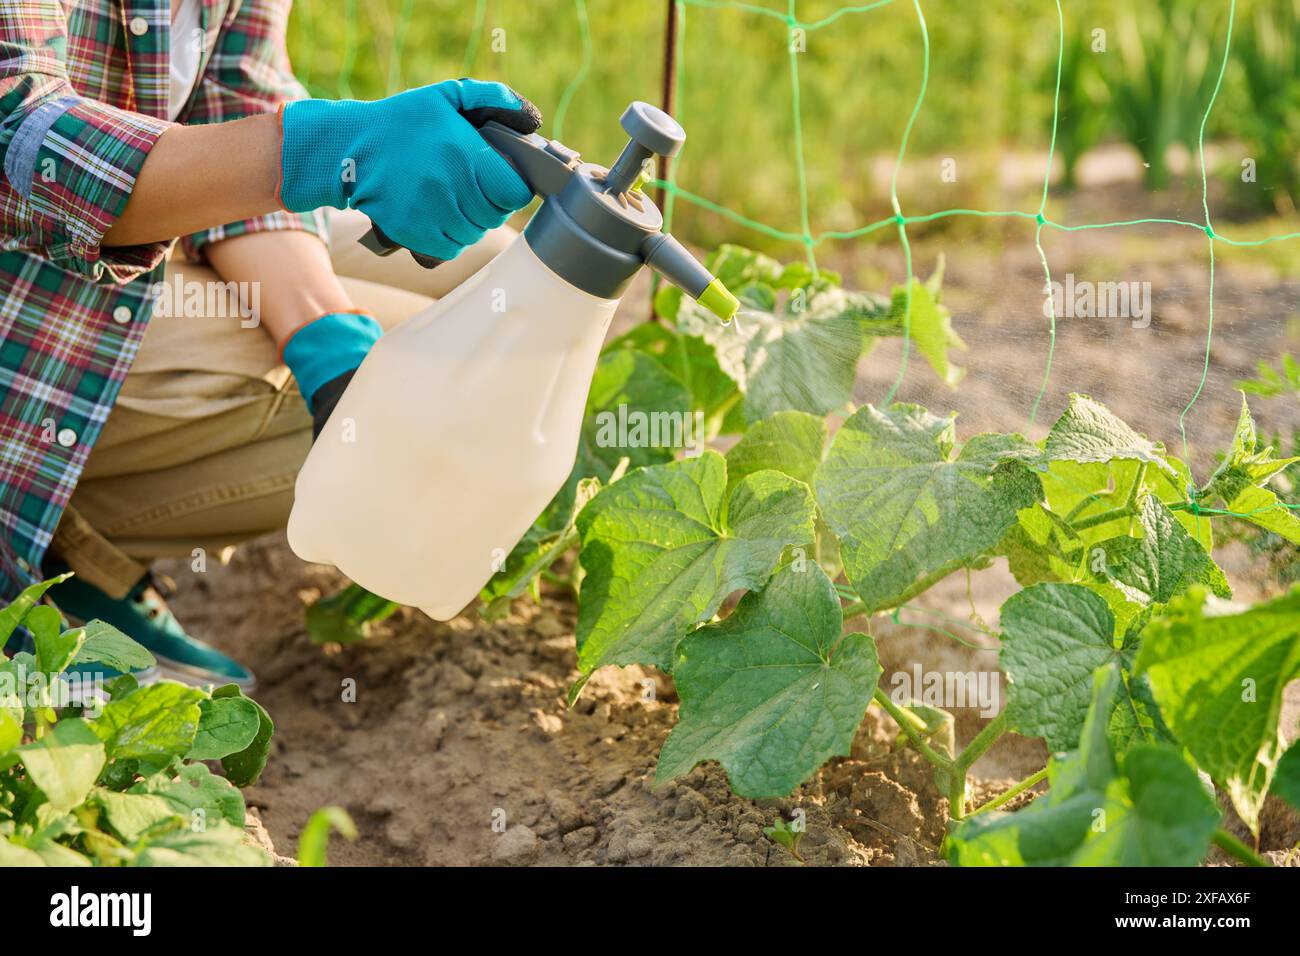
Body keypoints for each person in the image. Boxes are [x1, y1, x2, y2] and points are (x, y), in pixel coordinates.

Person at [0, 0, 540, 687]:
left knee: (502, 286)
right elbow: (21, 140)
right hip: (25, 287)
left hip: (113, 239)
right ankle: (45, 545)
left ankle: (80, 553)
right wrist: (323, 147)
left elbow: (231, 109)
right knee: (439, 363)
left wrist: (328, 339)